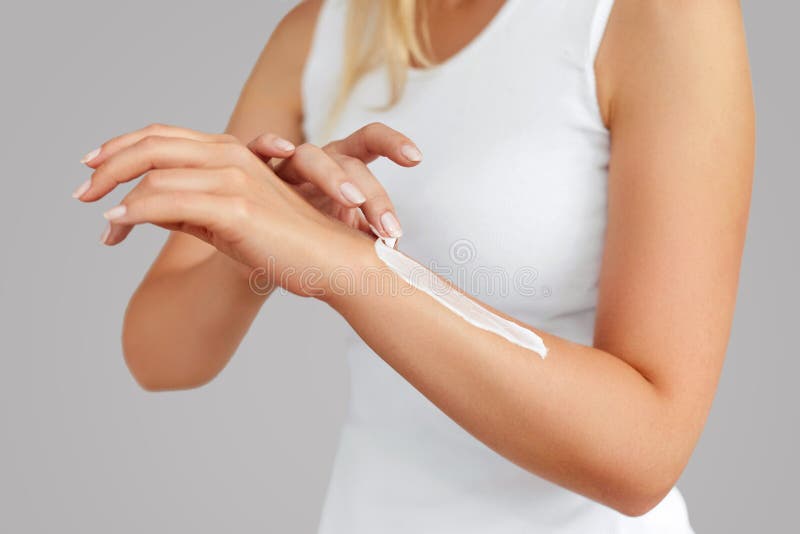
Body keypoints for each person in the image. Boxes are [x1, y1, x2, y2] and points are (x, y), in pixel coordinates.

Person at [73, 0, 754, 532]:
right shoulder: (318, 32)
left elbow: (644, 457)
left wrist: (348, 267)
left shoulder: (656, 16)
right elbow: (159, 359)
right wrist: (260, 235)